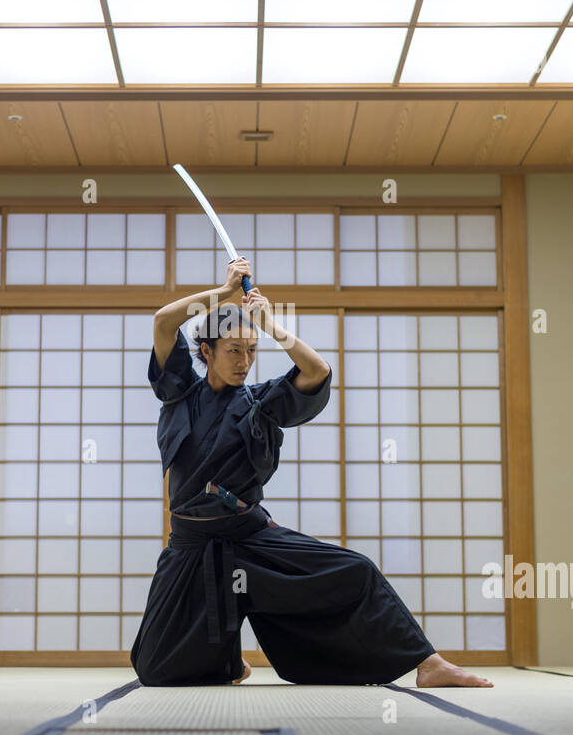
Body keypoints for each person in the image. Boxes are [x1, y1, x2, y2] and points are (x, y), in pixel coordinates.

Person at [129, 257, 493, 688]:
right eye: (233, 350)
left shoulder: (260, 402)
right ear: (206, 352)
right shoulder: (178, 393)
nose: (244, 360)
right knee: (154, 669)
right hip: (190, 544)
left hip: (250, 537)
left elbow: (317, 371)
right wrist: (225, 293)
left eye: (251, 350)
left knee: (355, 570)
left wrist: (274, 327)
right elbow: (164, 320)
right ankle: (224, 661)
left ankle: (427, 663)